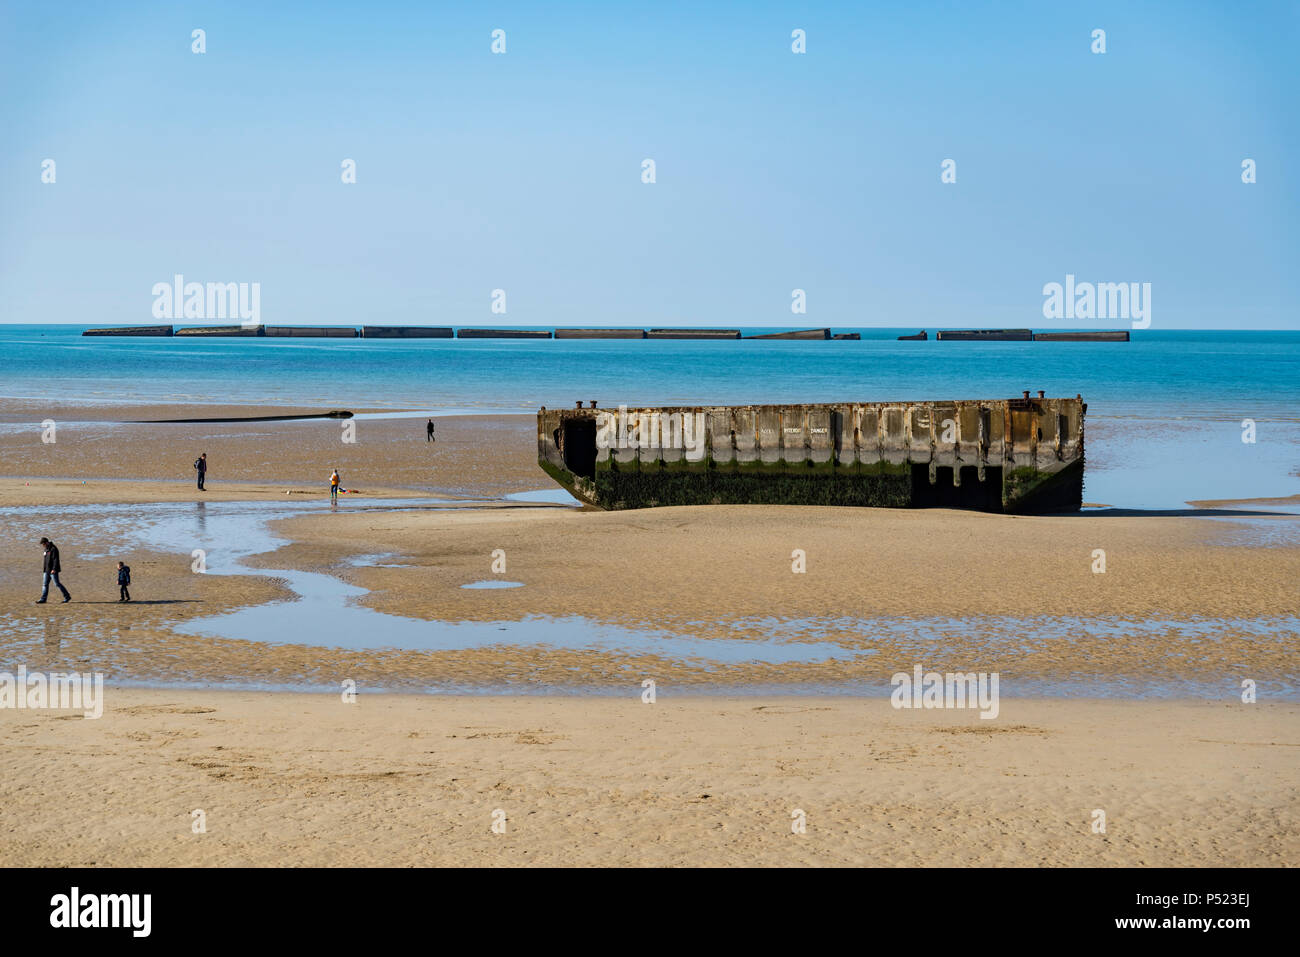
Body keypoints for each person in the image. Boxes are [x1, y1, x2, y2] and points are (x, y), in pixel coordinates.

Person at [37, 537, 71, 604]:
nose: (43, 545)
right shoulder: (46, 549)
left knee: (57, 584)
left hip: (53, 570)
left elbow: (56, 560)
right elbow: (46, 560)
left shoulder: (53, 549)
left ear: (47, 542)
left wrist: (54, 569)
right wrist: (44, 569)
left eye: (43, 544)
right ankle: (43, 599)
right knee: (45, 584)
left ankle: (67, 596)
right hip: (46, 570)